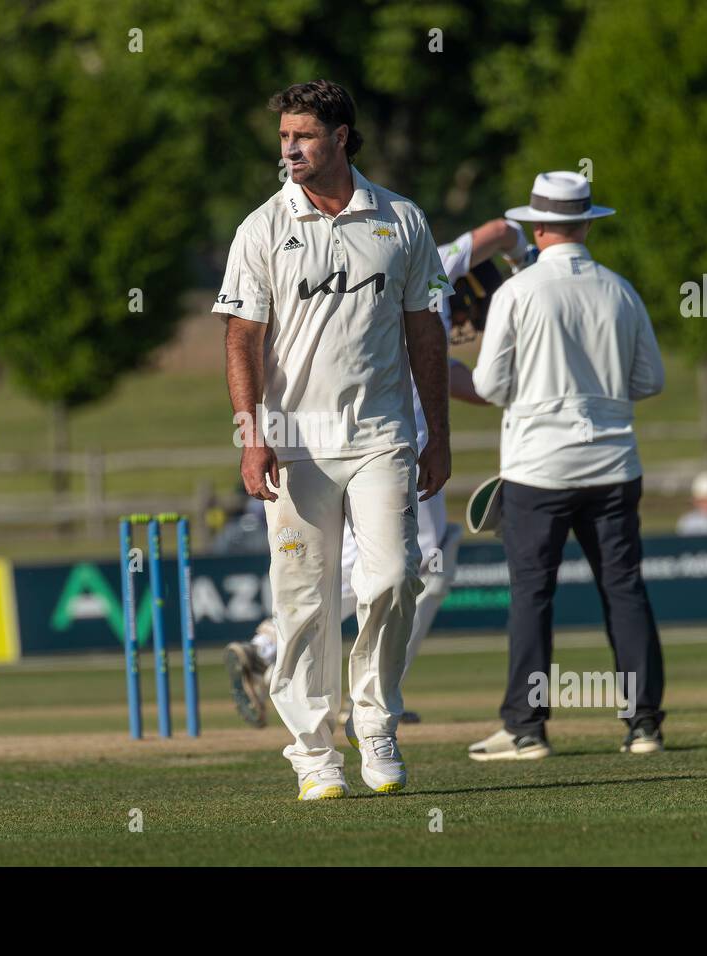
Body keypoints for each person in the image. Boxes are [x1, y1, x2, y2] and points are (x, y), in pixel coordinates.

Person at [216, 80, 450, 800]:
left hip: (382, 434)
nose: (290, 149)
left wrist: (437, 434)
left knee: (395, 576)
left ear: (342, 137)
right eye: (284, 136)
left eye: (304, 136)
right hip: (293, 444)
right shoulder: (262, 227)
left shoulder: (400, 220)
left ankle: (374, 721)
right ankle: (314, 753)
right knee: (303, 601)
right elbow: (242, 340)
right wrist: (253, 438)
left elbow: (425, 333)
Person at [224, 216, 532, 731]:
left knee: (369, 567)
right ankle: (372, 697)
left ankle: (270, 649)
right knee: (422, 564)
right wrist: (527, 259)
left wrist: (525, 384)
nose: (463, 330)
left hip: (358, 439)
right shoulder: (437, 260)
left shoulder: (424, 278)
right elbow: (503, 227)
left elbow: (459, 379)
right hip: (388, 443)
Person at [467, 170, 668, 761]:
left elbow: (490, 385)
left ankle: (527, 729)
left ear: (537, 224)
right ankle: (644, 726)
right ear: (585, 222)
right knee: (625, 590)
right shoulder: (619, 290)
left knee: (533, 595)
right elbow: (650, 380)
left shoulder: (518, 292)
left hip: (540, 467)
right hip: (612, 463)